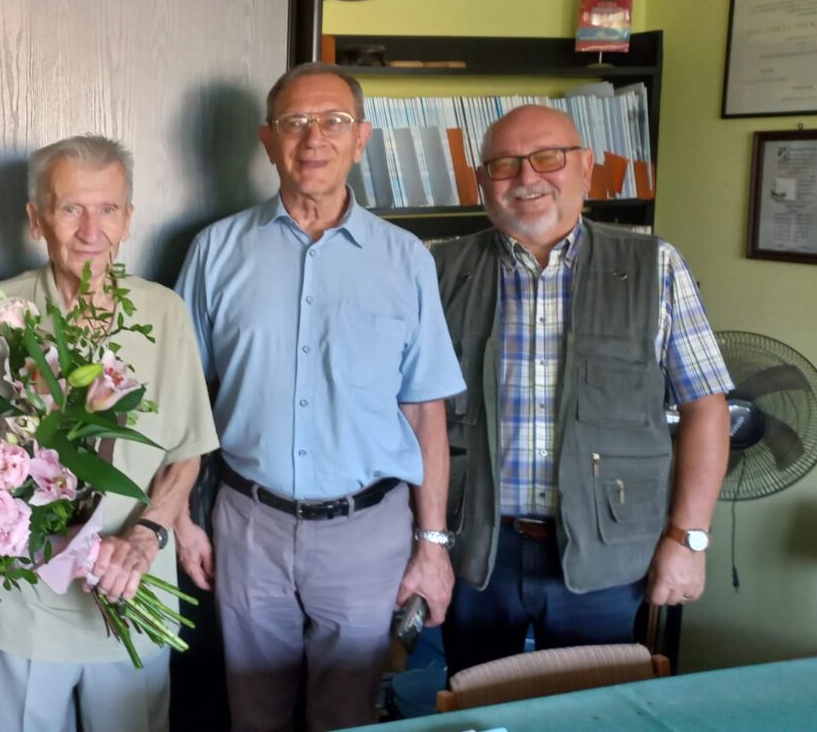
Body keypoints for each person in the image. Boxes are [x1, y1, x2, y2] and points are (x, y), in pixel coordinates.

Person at [174, 62, 465, 731]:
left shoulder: (406, 259)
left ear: (360, 137)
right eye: (294, 123)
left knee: (348, 715)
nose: (314, 138)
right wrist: (184, 517)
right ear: (267, 139)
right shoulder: (216, 251)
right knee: (254, 713)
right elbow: (183, 399)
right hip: (248, 524)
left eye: (333, 121)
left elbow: (425, 409)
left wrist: (432, 542)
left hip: (368, 533)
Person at [432, 104, 732, 674]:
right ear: (481, 182)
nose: (527, 178)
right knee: (473, 701)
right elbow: (408, 412)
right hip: (474, 551)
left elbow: (706, 408)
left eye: (548, 158)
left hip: (607, 556)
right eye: (504, 165)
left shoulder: (655, 267)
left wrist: (689, 539)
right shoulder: (438, 269)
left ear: (586, 167)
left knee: (589, 712)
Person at [0, 135, 219, 732]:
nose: (90, 229)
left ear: (129, 219)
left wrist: (147, 538)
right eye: (70, 208)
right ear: (36, 219)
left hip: (133, 583)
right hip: (23, 597)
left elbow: (186, 453)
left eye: (108, 209)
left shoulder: (164, 313)